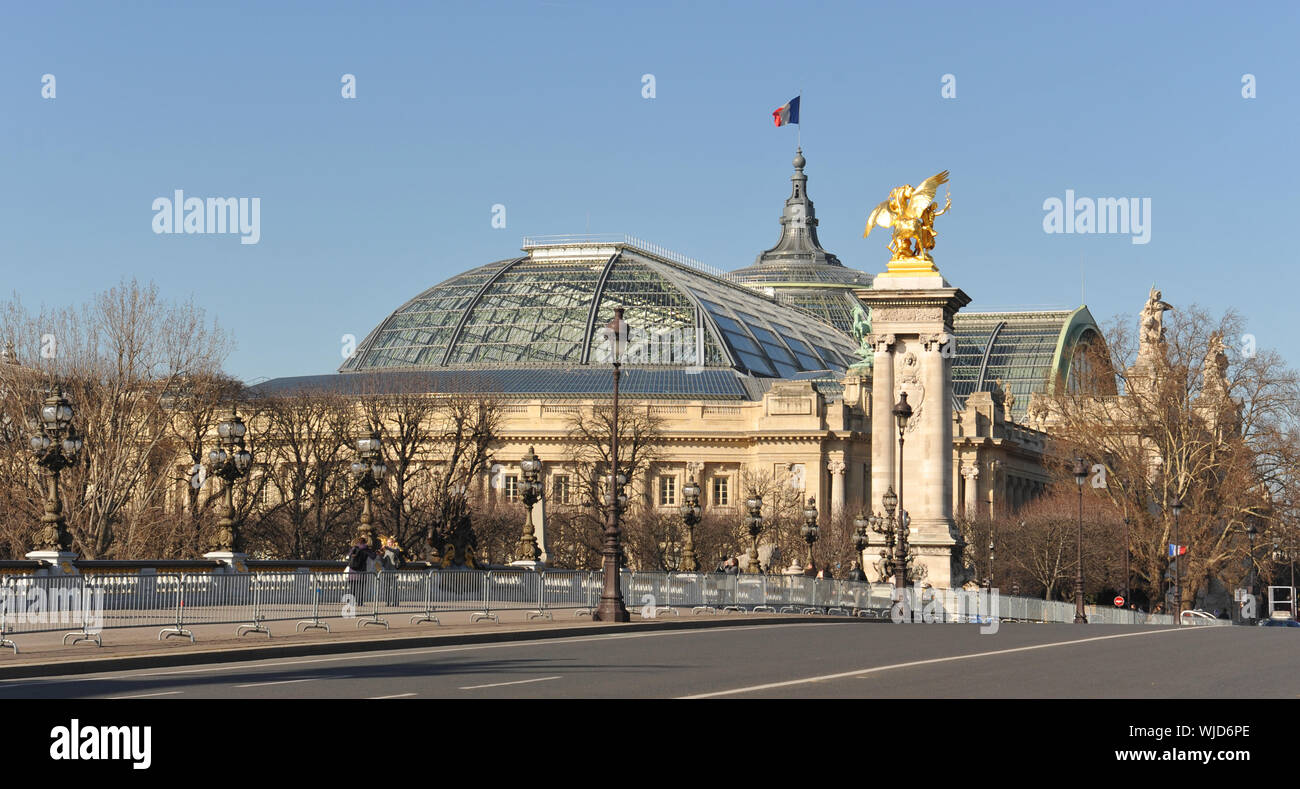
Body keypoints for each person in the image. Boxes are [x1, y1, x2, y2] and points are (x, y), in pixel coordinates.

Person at [345, 537, 377, 606]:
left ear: (358, 542)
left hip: (352, 571)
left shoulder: (354, 548)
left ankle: (351, 602)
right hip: (361, 571)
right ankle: (360, 602)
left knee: (352, 588)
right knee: (361, 588)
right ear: (365, 542)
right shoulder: (366, 549)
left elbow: (347, 556)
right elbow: (373, 556)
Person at [379, 536, 405, 606]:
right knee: (386, 588)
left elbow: (397, 553)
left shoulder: (396, 549)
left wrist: (387, 548)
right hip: (386, 571)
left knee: (394, 588)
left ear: (393, 543)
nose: (389, 544)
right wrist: (380, 556)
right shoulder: (386, 551)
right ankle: (387, 602)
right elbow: (384, 562)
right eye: (388, 543)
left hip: (393, 571)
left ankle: (395, 602)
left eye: (390, 543)